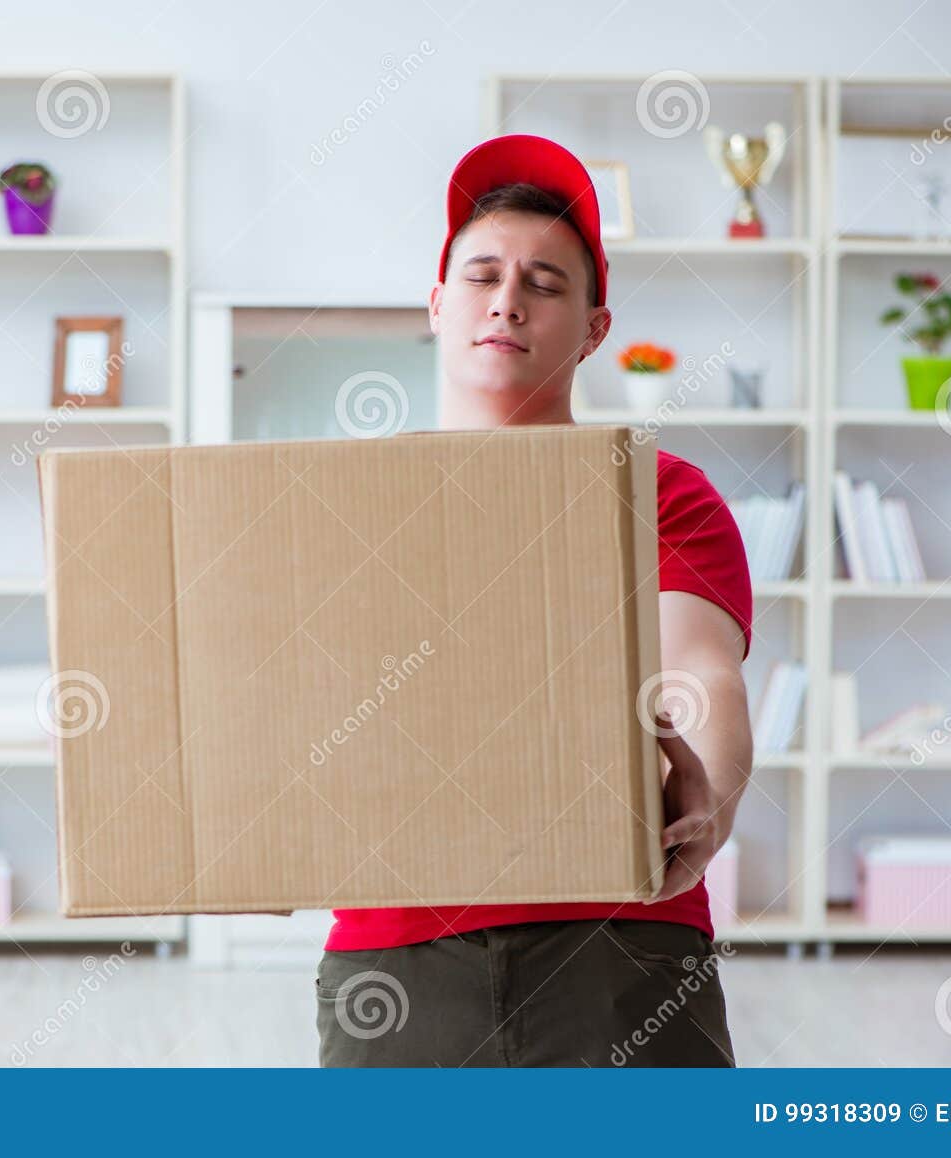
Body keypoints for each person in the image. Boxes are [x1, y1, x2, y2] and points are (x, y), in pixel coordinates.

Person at [315, 134, 754, 1068]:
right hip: (398, 950)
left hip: (622, 933)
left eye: (545, 284)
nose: (508, 300)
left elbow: (698, 670)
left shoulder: (659, 490)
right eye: (482, 275)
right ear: (438, 307)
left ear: (595, 328)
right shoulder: (346, 502)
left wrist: (704, 807)